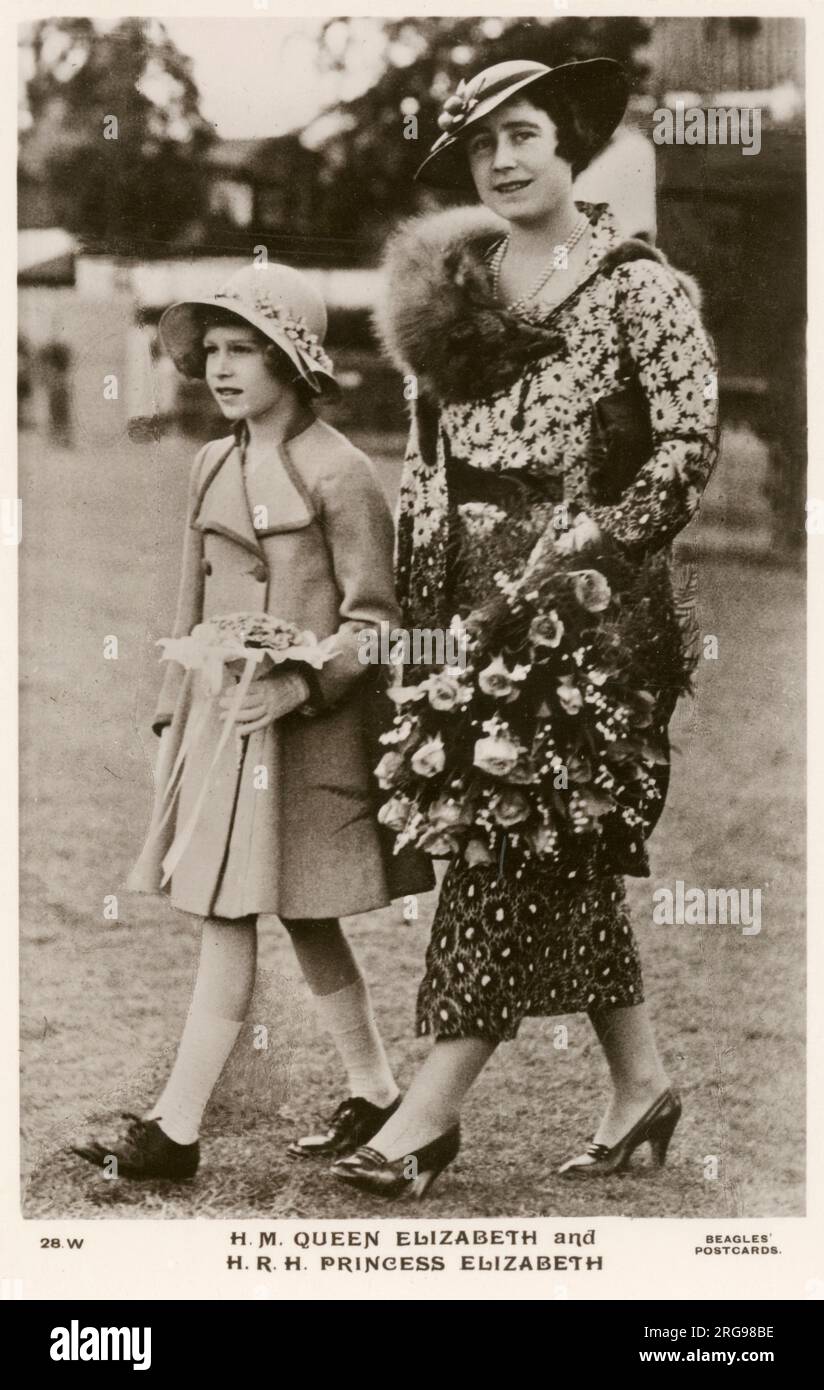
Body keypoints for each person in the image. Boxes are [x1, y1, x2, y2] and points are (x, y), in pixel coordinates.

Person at [333, 59, 719, 1200]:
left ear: (574, 142)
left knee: (512, 835)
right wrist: (415, 618)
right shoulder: (448, 286)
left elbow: (685, 446)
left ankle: (424, 1116)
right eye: (481, 144)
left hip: (593, 612)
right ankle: (639, 1081)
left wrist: (589, 546)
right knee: (552, 840)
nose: (501, 160)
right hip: (466, 609)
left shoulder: (636, 286)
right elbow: (428, 470)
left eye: (525, 135)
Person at [72, 262, 430, 1181]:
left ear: (293, 360)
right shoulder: (210, 460)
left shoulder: (342, 472)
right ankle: (371, 1092)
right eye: (214, 351)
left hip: (305, 734)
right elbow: (188, 599)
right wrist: (170, 720)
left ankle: (177, 1130)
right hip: (217, 722)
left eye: (247, 350)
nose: (224, 368)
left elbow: (378, 623)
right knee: (247, 912)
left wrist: (300, 690)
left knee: (281, 911)